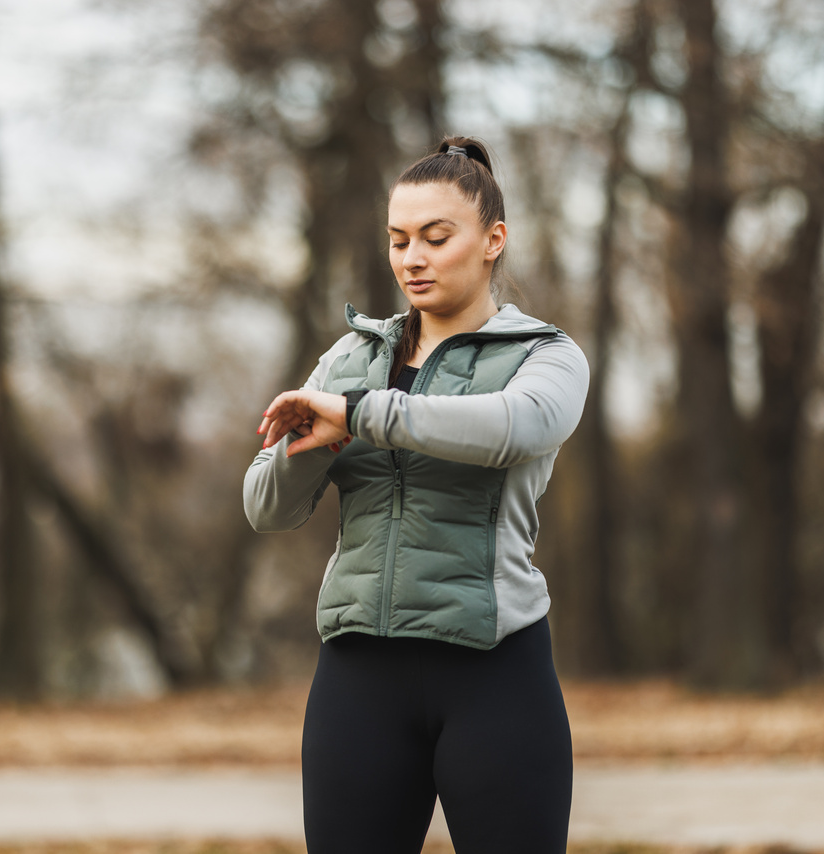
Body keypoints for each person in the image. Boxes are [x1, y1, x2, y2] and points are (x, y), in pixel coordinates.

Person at [243, 136, 588, 853]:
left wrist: (362, 414)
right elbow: (266, 508)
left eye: (436, 237)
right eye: (398, 240)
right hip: (358, 679)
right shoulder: (352, 356)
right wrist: (318, 445)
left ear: (493, 240)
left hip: (494, 672)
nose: (412, 258)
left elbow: (508, 429)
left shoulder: (545, 357)